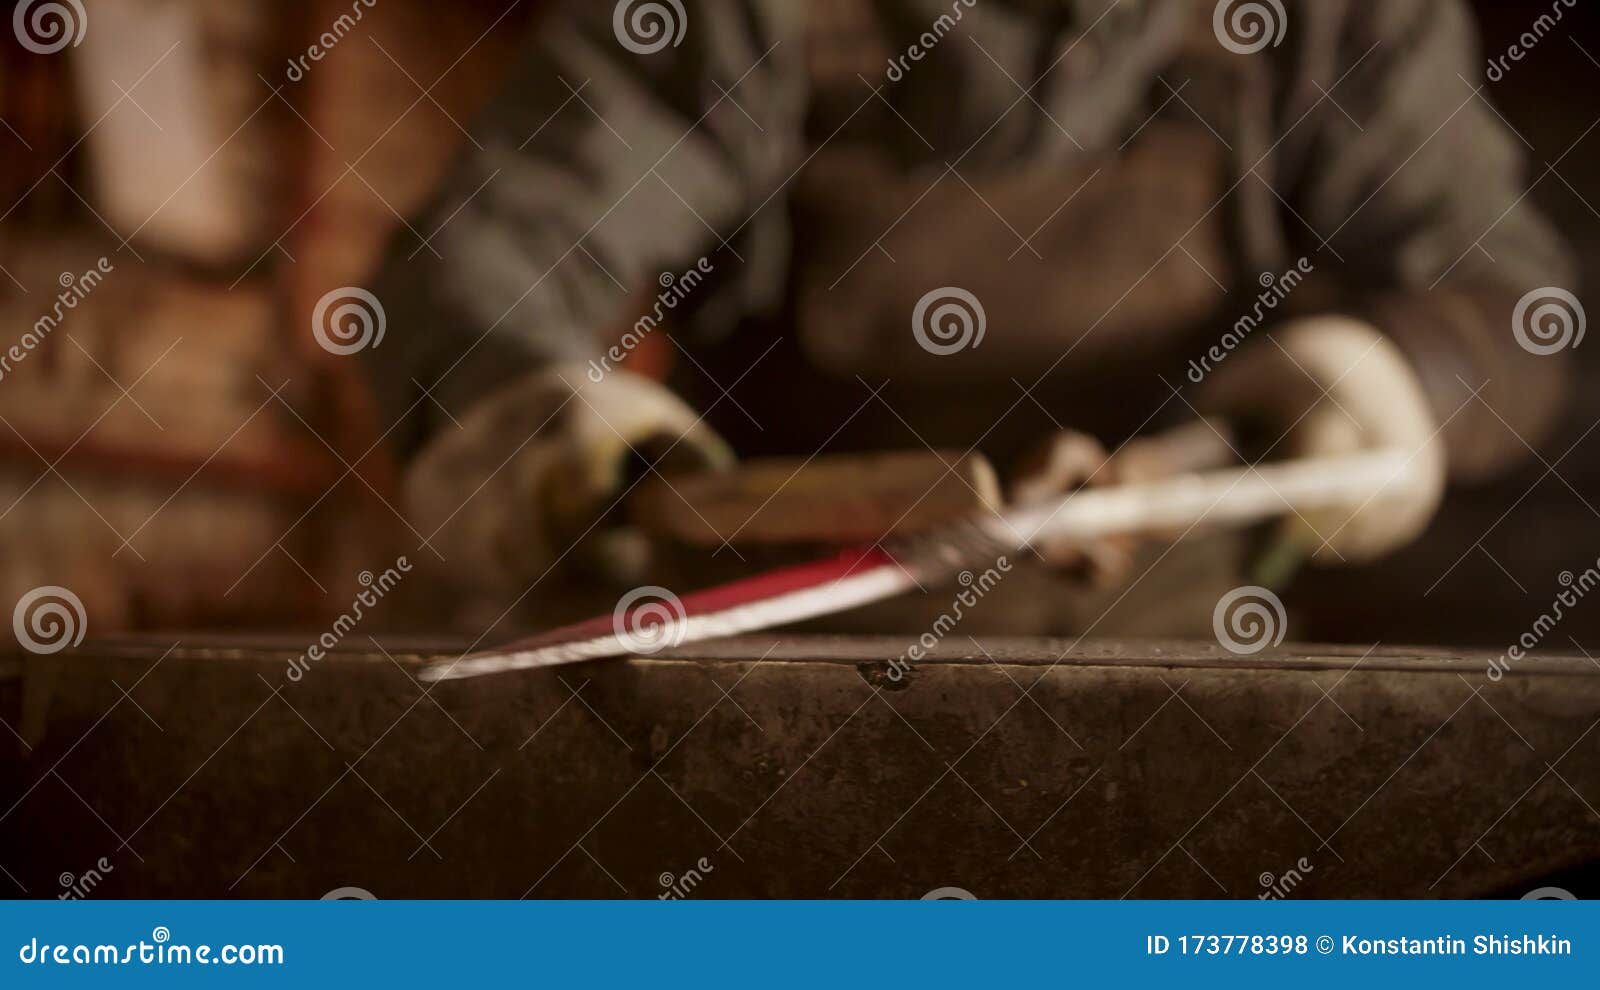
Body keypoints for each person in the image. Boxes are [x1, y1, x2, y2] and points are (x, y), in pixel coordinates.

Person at [365, 0, 1576, 634]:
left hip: (1188, 682)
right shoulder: (746, 12)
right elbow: (492, 260)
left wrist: (1378, 385)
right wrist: (533, 420)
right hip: (776, 677)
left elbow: (1511, 305)